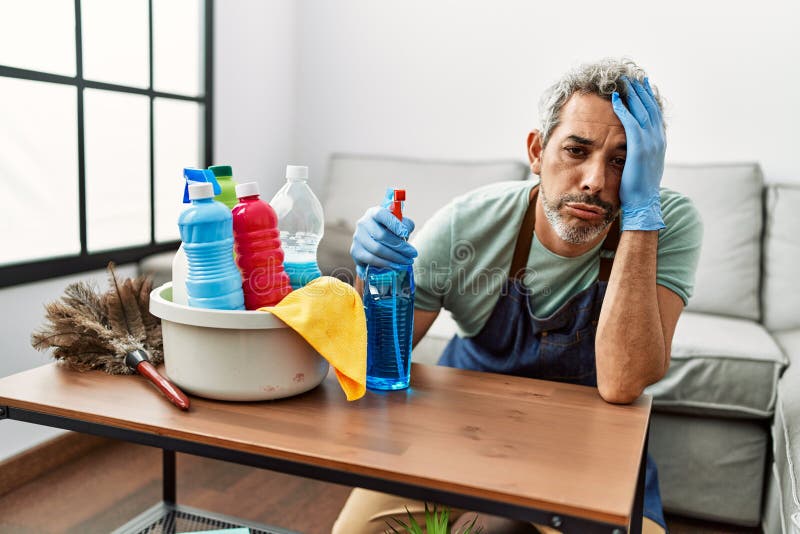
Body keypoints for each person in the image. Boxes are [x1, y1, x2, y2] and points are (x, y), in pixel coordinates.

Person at [335, 58, 703, 534]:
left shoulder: (664, 224)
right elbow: (372, 362)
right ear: (536, 151)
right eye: (576, 150)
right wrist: (374, 279)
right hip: (462, 430)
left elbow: (622, 382)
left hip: (591, 451)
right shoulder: (468, 222)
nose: (595, 180)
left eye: (622, 161)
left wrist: (640, 214)